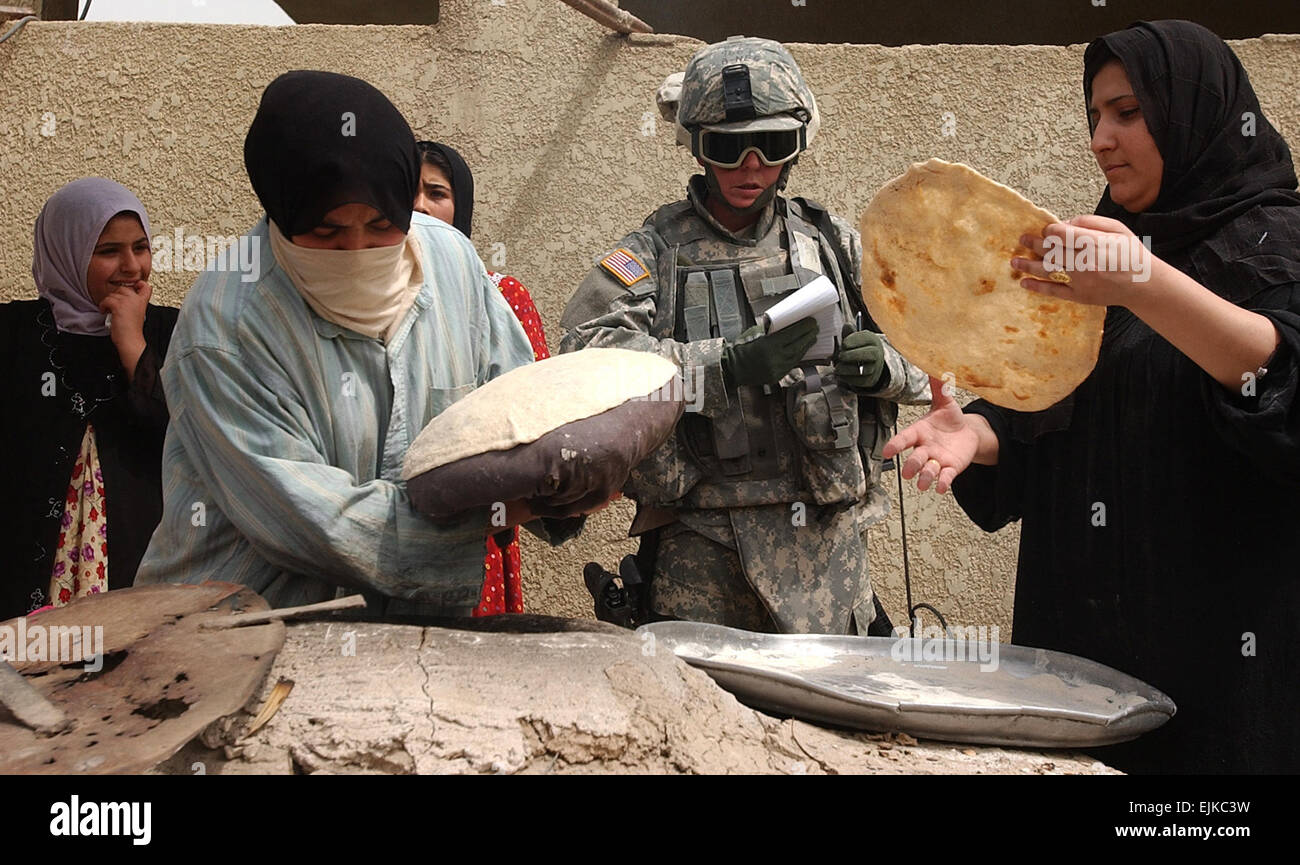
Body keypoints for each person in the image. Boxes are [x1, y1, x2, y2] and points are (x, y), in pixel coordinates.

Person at [885, 20, 1300, 773]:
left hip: (1221, 681)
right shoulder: (1100, 258)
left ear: (1195, 112)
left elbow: (1278, 385)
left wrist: (1141, 281)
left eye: (1129, 112)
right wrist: (977, 435)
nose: (1101, 139)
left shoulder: (1274, 243)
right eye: (1094, 116)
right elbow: (1064, 404)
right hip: (1080, 676)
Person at [135, 71, 587, 614]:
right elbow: (312, 522)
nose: (356, 251)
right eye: (326, 232)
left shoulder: (452, 266)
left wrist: (563, 483)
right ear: (280, 210)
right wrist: (498, 511)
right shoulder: (223, 331)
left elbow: (514, 408)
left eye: (380, 224)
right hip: (247, 630)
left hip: (417, 636)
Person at [561, 36, 931, 635]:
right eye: (728, 149)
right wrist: (722, 367)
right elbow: (584, 359)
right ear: (698, 149)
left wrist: (888, 365)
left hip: (830, 554)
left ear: (797, 148)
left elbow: (935, 353)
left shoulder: (832, 242)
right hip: (704, 552)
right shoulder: (654, 253)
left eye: (773, 145)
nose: (751, 167)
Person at [0, 178, 177, 620]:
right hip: (22, 566)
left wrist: (132, 343)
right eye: (109, 251)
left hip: (138, 566)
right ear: (67, 252)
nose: (132, 266)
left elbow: (181, 430)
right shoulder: (14, 334)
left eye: (141, 247)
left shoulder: (169, 332)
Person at [414, 140, 551, 616]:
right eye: (408, 192)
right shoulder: (376, 296)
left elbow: (535, 410)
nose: (420, 206)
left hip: (480, 524)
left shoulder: (501, 297)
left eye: (436, 193)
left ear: (461, 207)